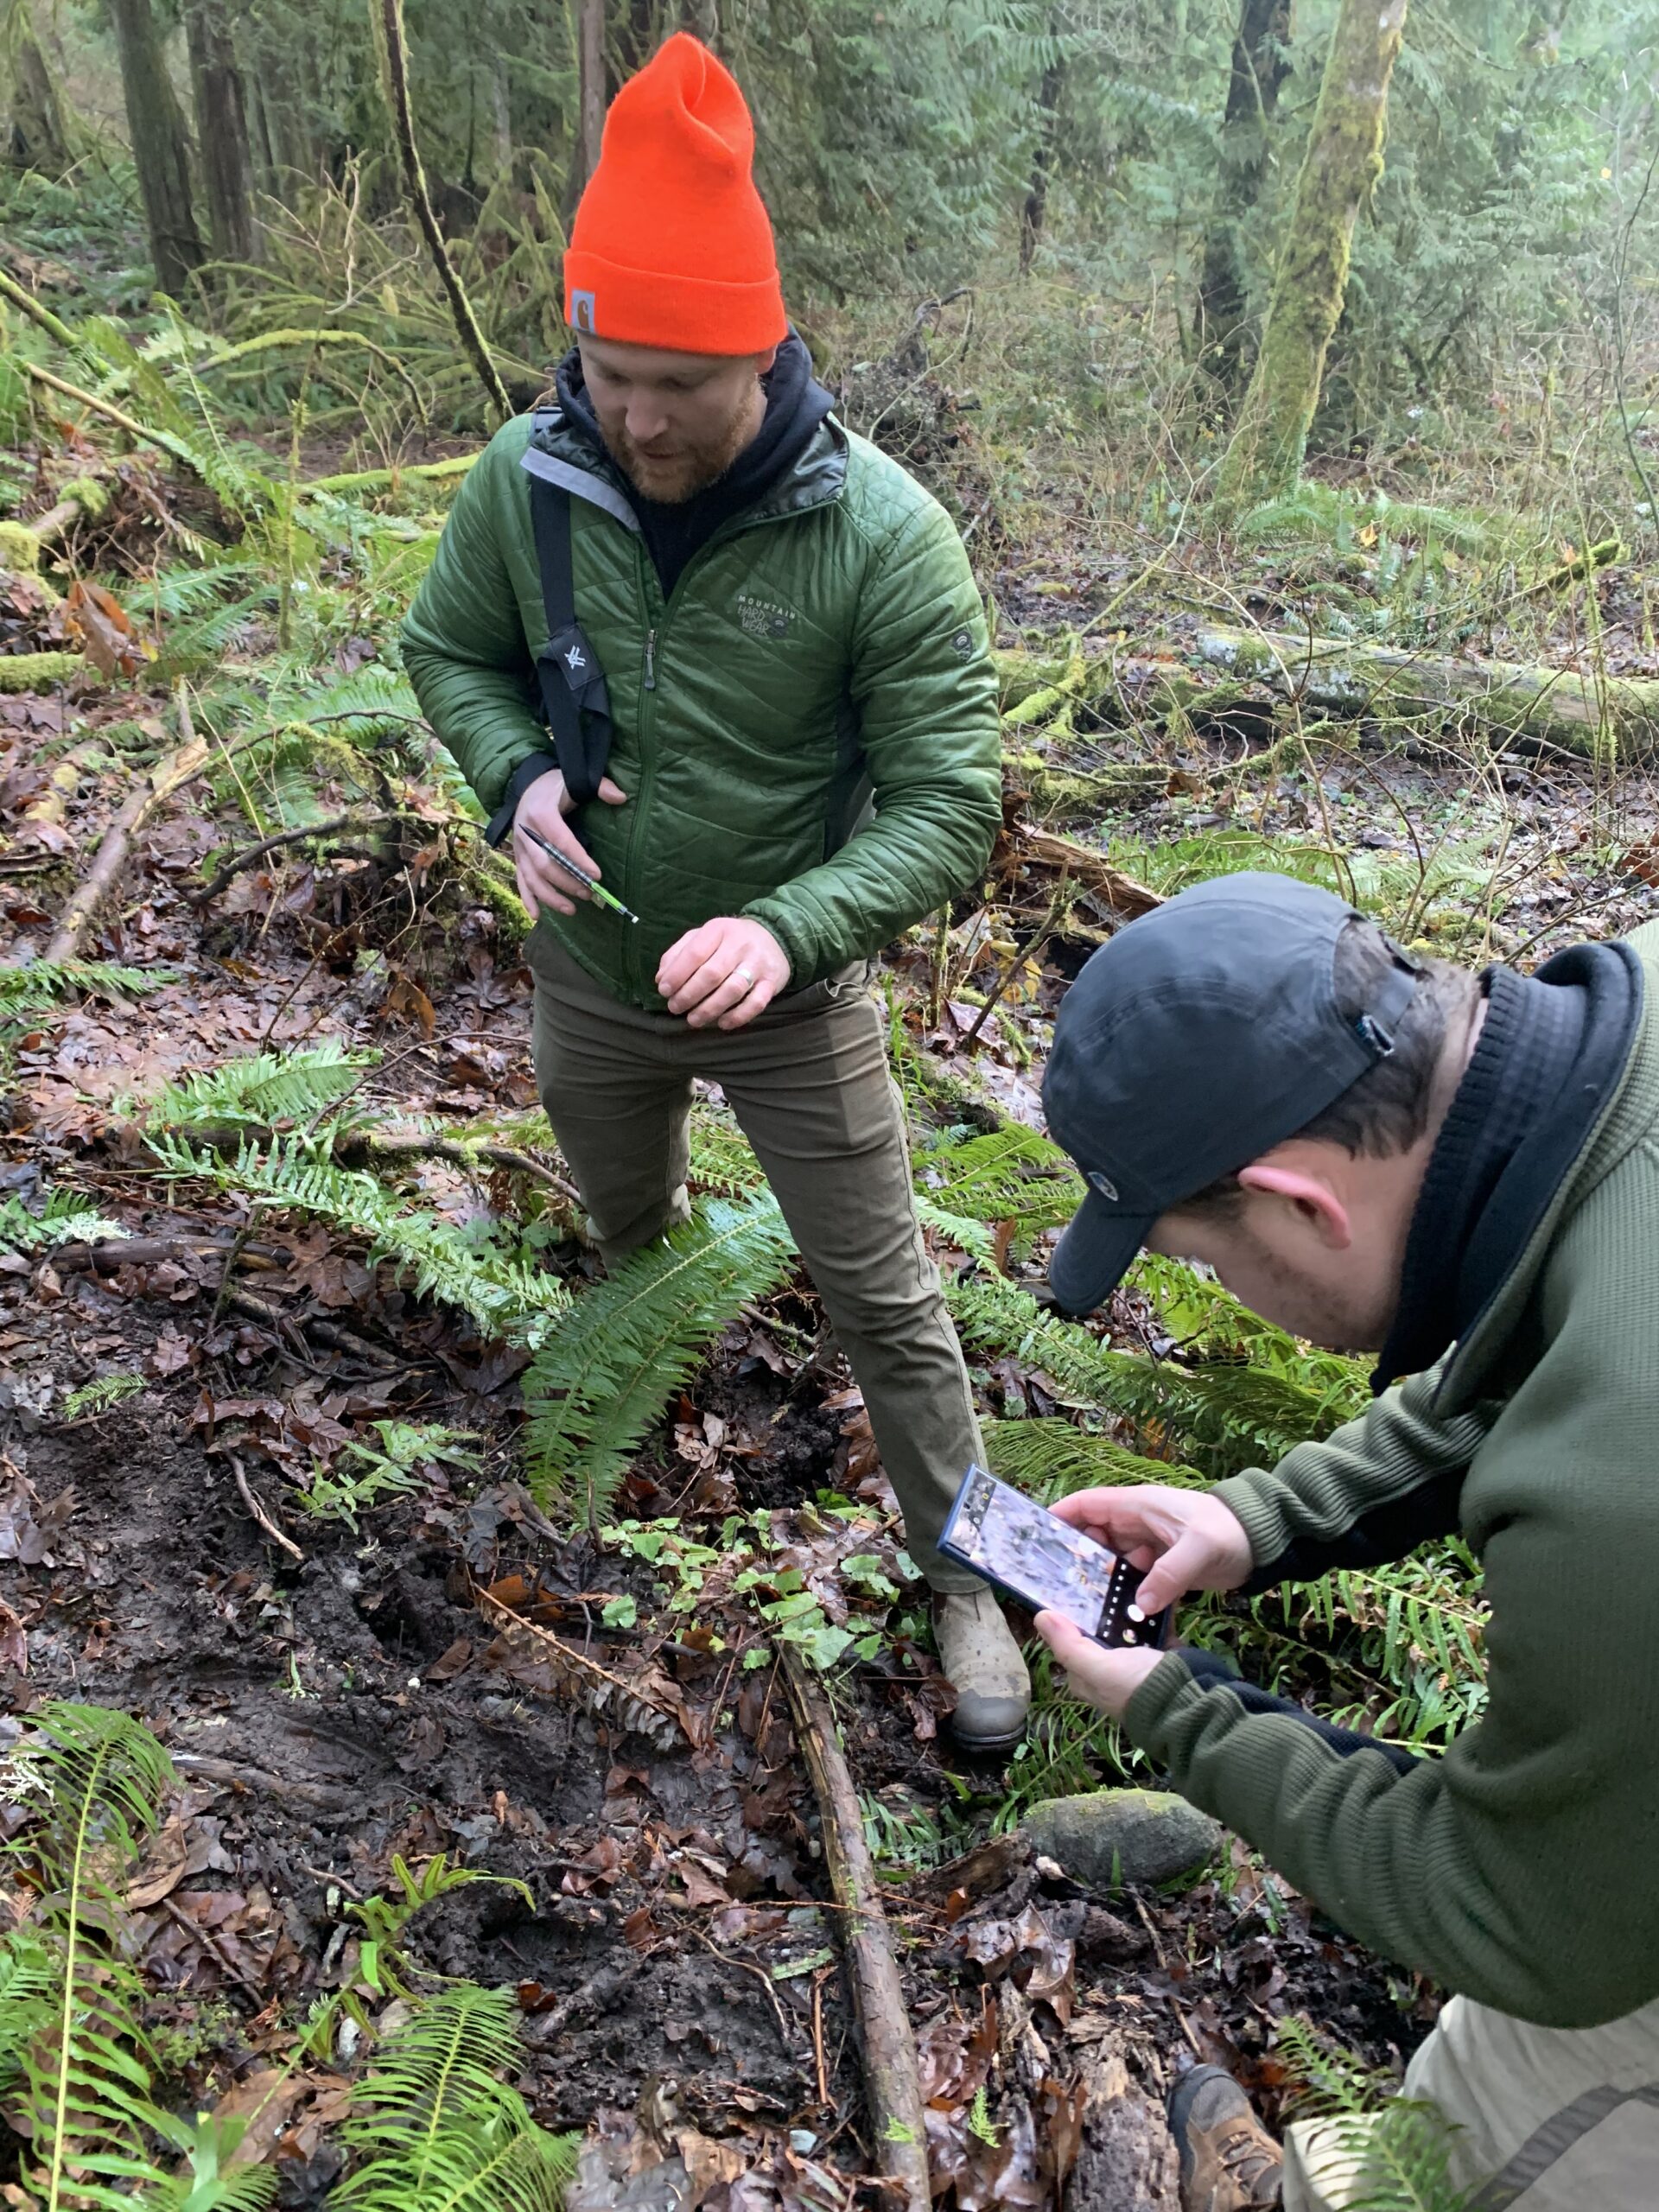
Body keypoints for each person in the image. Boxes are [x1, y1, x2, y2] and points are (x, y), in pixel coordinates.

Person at [401, 32, 1031, 1747]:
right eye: (614, 369)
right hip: (589, 971)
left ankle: (971, 1569)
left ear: (762, 353)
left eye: (683, 379)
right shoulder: (527, 478)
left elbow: (954, 802)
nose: (642, 414)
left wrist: (791, 926)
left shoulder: (882, 537)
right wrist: (513, 775)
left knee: (890, 1297)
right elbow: (447, 650)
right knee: (625, 1237)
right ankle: (632, 1427)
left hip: (789, 997)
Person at [1033, 870, 1659, 2212]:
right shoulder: (1616, 1058)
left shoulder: (1621, 1502)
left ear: (1303, 1202)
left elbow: (1530, 1919)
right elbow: (1537, 1352)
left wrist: (1184, 1712)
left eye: (1208, 1260)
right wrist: (1262, 1518)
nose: (1226, 1297)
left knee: (1507, 2114)